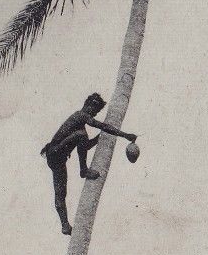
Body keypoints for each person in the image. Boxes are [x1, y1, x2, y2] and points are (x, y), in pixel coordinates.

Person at [41, 93, 137, 235]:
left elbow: (84, 146)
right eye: (95, 110)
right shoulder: (80, 115)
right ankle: (84, 170)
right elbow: (100, 125)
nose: (94, 113)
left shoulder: (80, 126)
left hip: (56, 158)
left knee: (61, 193)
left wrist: (99, 139)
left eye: (97, 112)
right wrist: (124, 135)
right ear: (89, 105)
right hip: (55, 152)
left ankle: (65, 225)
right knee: (81, 135)